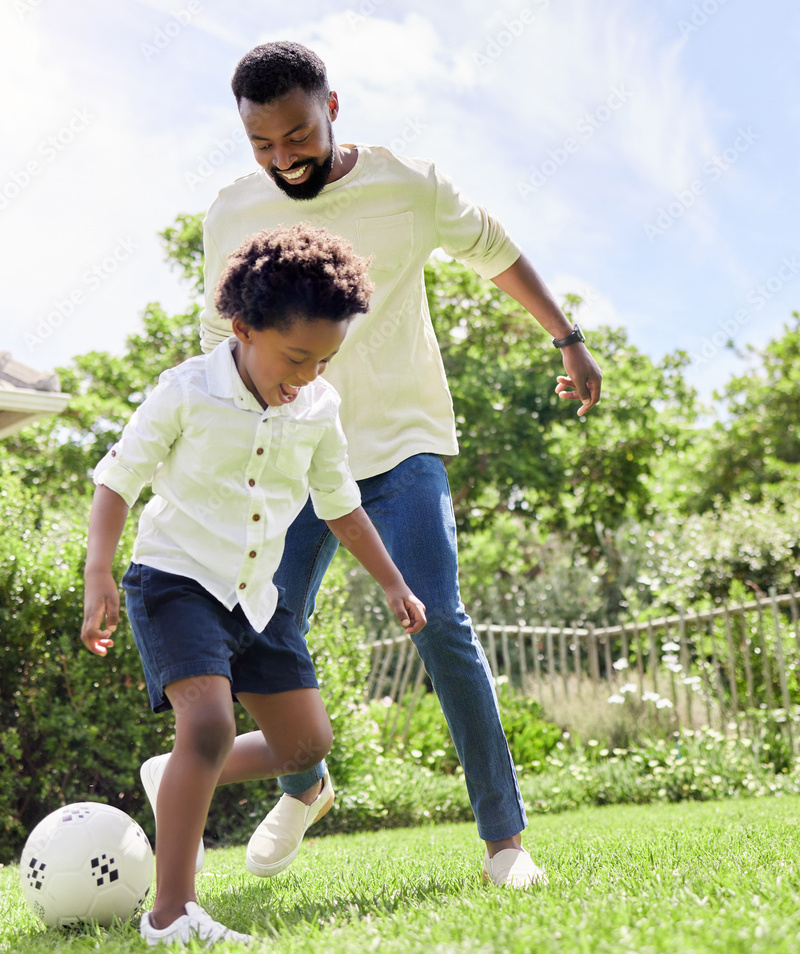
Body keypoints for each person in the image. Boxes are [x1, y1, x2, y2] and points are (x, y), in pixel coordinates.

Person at [194, 41, 604, 889]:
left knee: (440, 622)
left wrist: (566, 337)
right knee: (264, 633)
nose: (283, 159)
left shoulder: (406, 187)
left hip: (398, 446)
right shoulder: (231, 212)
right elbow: (217, 338)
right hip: (295, 458)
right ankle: (306, 786)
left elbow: (494, 249)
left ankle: (505, 843)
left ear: (332, 108)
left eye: (297, 136)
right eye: (262, 145)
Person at [81, 223, 426, 946]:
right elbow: (118, 479)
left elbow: (341, 505)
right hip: (174, 580)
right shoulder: (187, 390)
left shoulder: (318, 408)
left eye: (324, 360)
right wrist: (98, 571)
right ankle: (171, 914)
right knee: (207, 727)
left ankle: (174, 772)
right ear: (243, 328)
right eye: (296, 357)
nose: (307, 375)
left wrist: (394, 583)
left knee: (307, 747)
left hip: (256, 599)